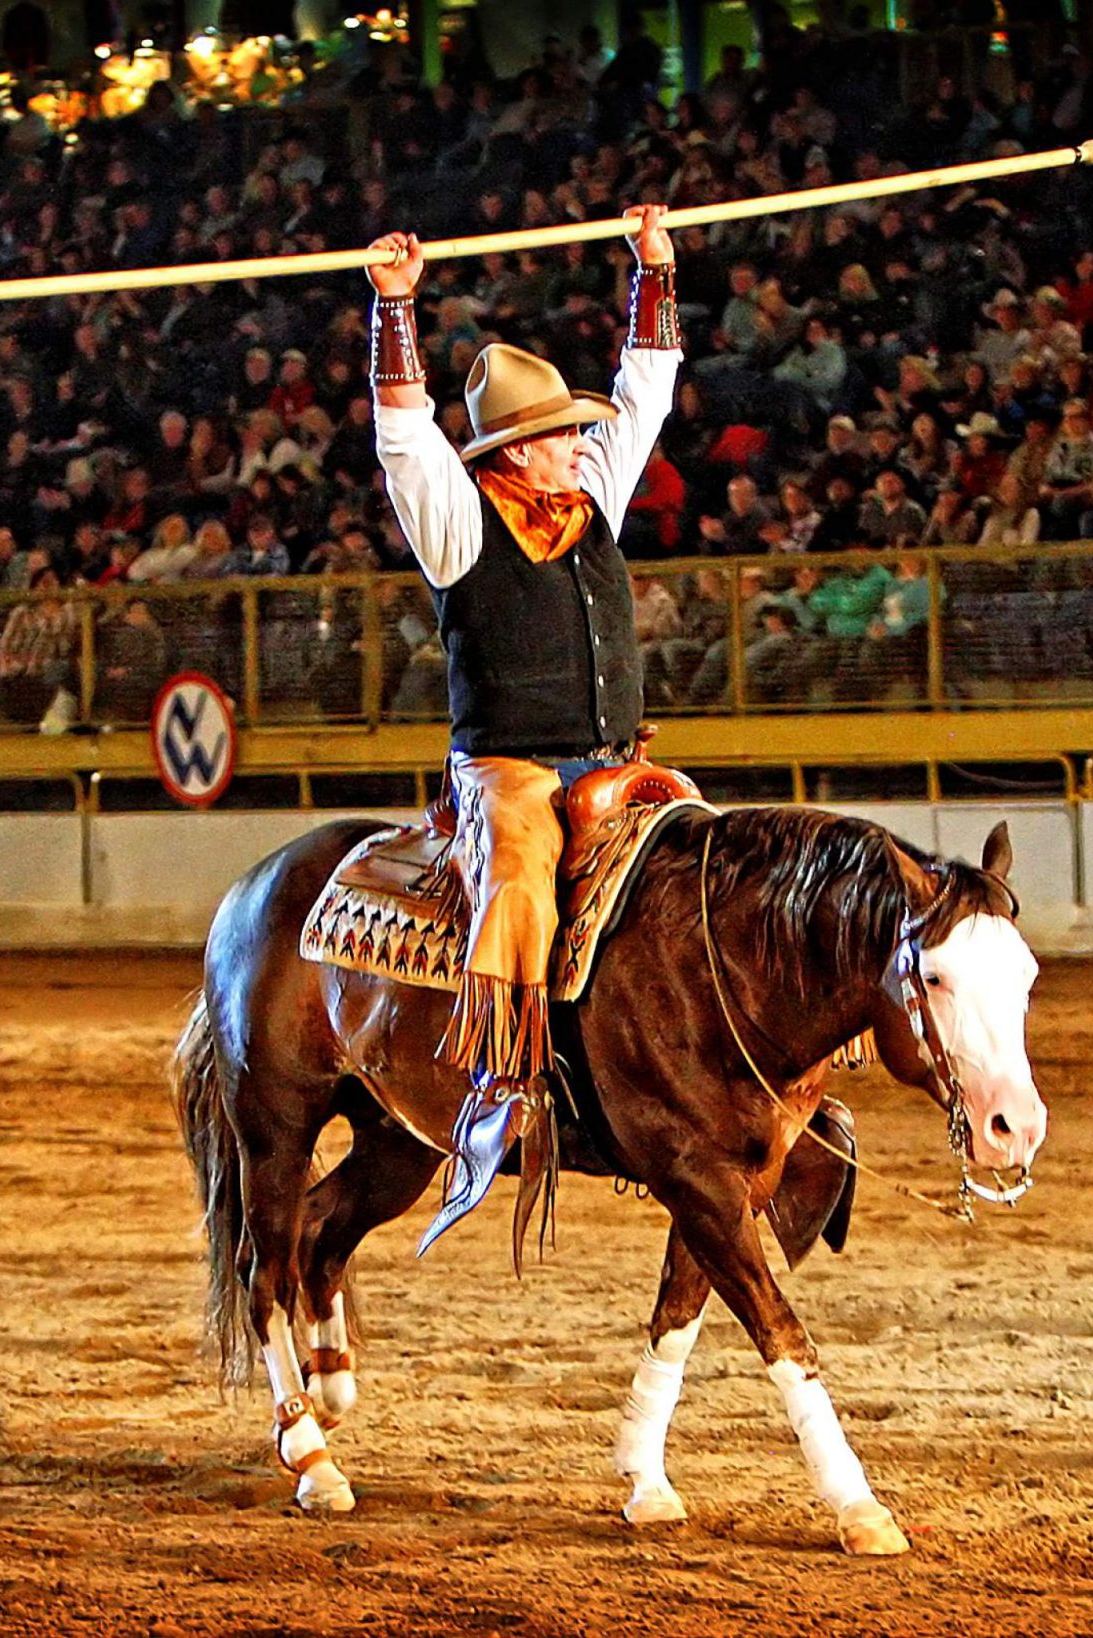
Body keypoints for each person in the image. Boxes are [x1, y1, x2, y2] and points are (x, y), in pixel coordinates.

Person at [369, 204, 681, 1260]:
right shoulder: (458, 520)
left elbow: (645, 394)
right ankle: (505, 1075)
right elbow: (403, 436)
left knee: (705, 849)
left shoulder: (591, 492)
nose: (577, 442)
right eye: (557, 433)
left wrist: (653, 268)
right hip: (506, 767)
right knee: (516, 870)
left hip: (617, 760)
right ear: (515, 450)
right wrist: (395, 308)